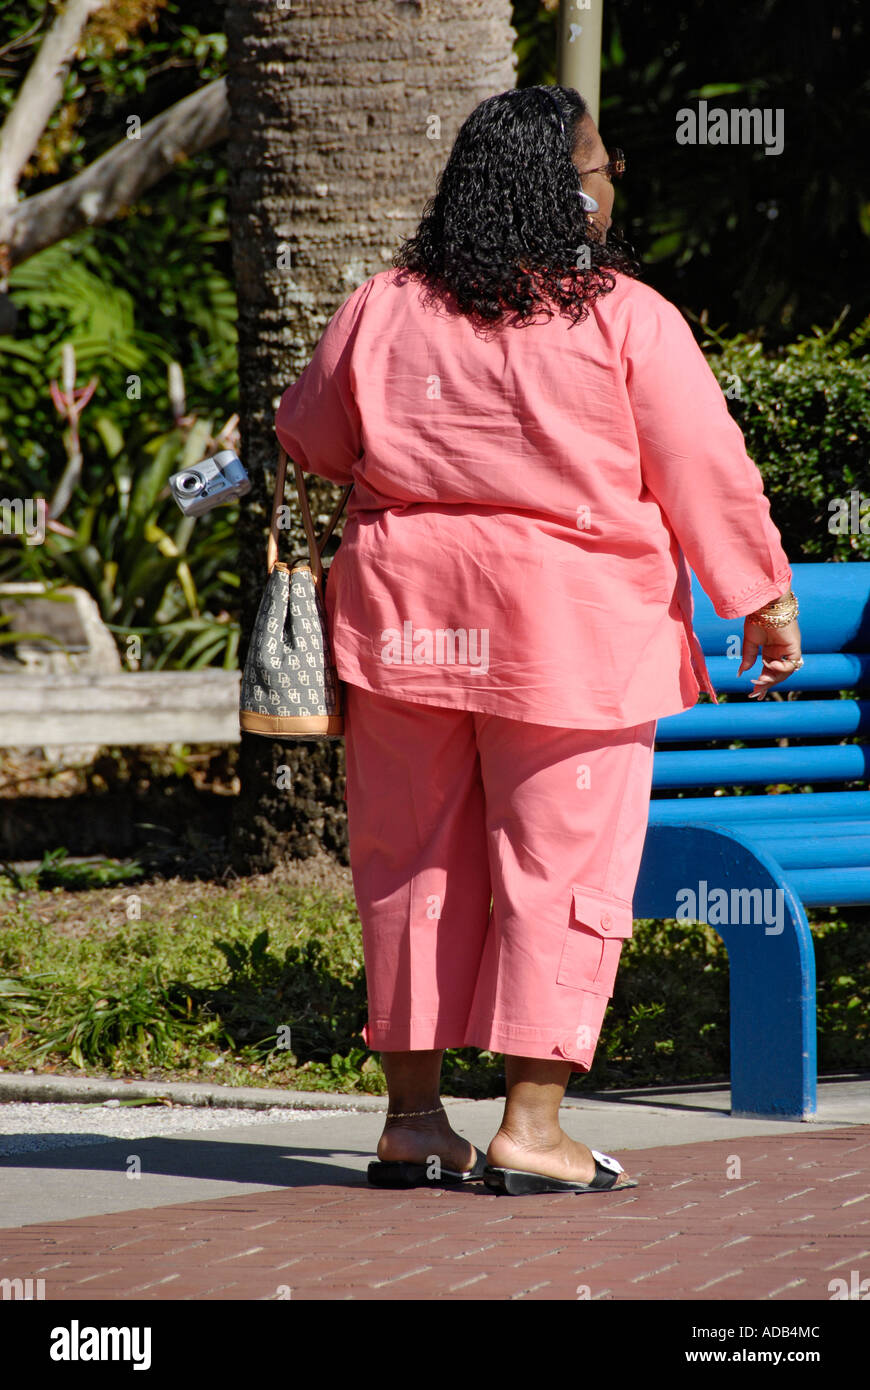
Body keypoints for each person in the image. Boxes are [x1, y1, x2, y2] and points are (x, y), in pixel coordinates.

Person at [274, 85, 803, 1196]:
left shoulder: (384, 305)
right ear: (565, 188)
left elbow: (309, 437)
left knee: (406, 864)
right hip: (568, 638)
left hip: (407, 628)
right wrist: (760, 593)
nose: (613, 186)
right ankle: (533, 1126)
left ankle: (415, 1123)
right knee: (560, 873)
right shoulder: (624, 318)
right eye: (603, 168)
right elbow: (703, 467)